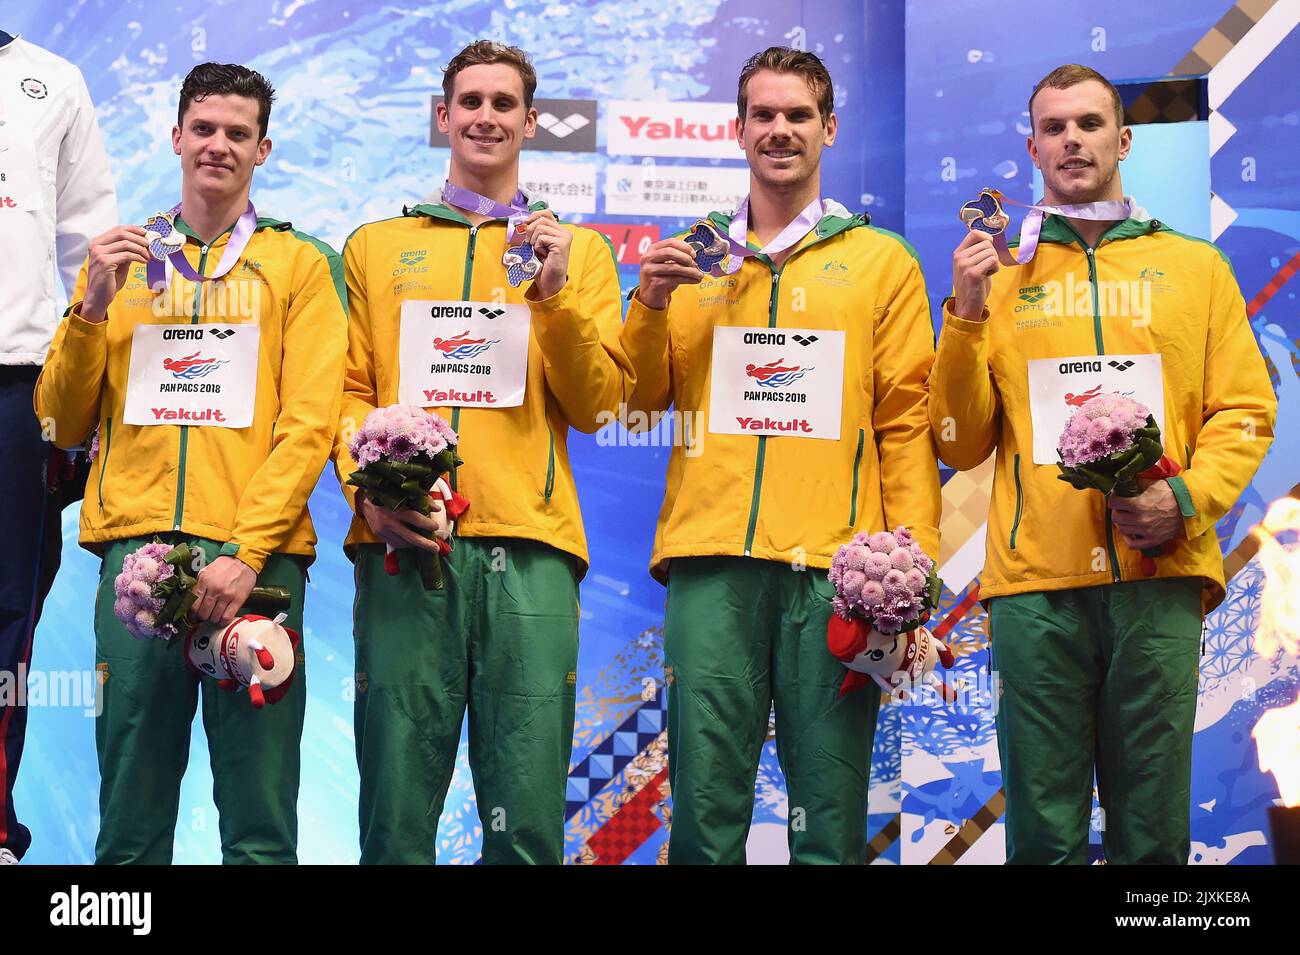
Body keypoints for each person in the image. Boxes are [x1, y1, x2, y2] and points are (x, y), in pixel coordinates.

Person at [931, 64, 1277, 864]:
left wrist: (1185, 498)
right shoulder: (996, 274)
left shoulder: (1196, 268)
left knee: (1153, 831)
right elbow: (959, 441)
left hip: (1159, 574)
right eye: (1054, 128)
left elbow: (1247, 410)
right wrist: (966, 318)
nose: (1072, 140)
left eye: (1089, 124)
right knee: (1043, 832)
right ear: (1032, 148)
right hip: (1035, 588)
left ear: (1122, 140)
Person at [621, 46, 940, 864]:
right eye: (763, 115)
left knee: (828, 812)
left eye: (798, 115)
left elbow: (906, 423)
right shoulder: (689, 259)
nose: (780, 130)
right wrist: (650, 305)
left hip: (838, 573)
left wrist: (912, 563)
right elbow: (634, 402)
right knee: (702, 807)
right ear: (737, 131)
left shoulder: (881, 261)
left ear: (828, 128)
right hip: (711, 561)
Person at [34, 62, 347, 864]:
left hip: (260, 563)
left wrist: (245, 554)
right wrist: (90, 306)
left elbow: (309, 423)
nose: (218, 145)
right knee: (130, 818)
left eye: (237, 133)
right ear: (176, 137)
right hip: (139, 558)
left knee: (260, 808)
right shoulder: (119, 263)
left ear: (263, 148)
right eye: (203, 128)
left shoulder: (301, 264)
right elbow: (61, 419)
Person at [334, 40, 633, 864]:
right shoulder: (374, 247)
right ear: (443, 117)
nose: (487, 117)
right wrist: (368, 496)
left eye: (505, 104)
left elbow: (599, 404)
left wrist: (554, 295)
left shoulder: (580, 254)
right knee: (394, 814)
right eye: (471, 101)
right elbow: (347, 395)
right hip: (400, 548)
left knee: (528, 820)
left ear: (531, 123)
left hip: (531, 551)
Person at [0, 29, 116, 865]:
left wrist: (90, 398)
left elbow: (89, 248)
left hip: (17, 385)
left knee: (8, 611)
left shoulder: (52, 78)